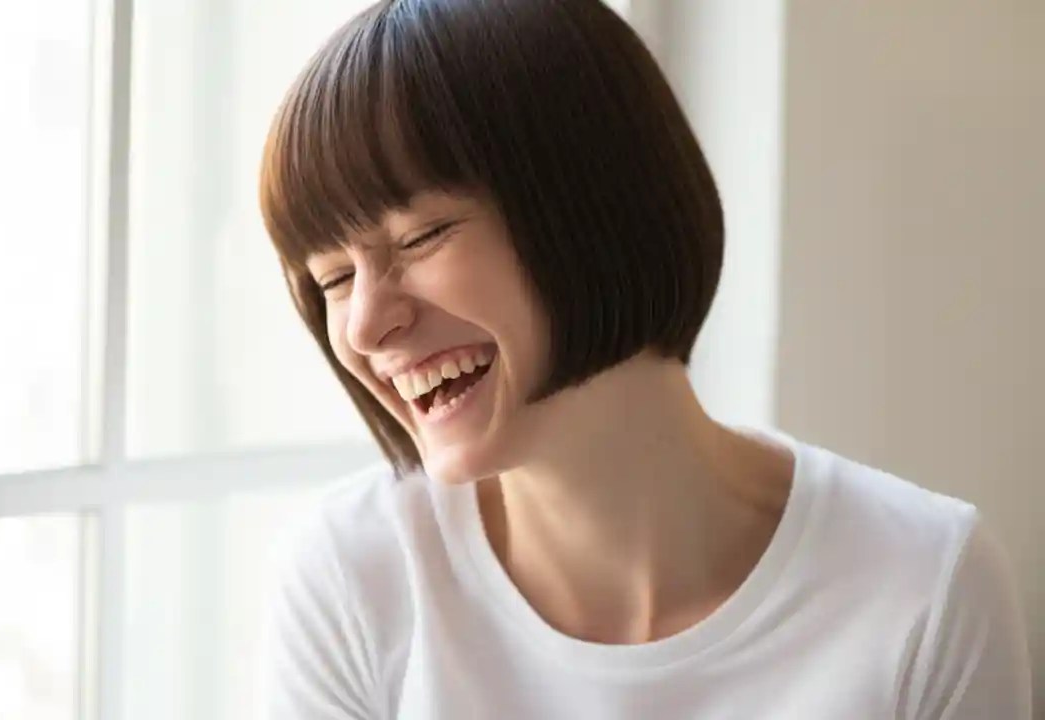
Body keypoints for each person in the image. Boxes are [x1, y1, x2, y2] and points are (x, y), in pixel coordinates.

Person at [253, 0, 1034, 717]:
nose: (363, 326)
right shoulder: (354, 578)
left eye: (421, 237)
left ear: (593, 209)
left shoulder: (925, 586)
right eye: (334, 278)